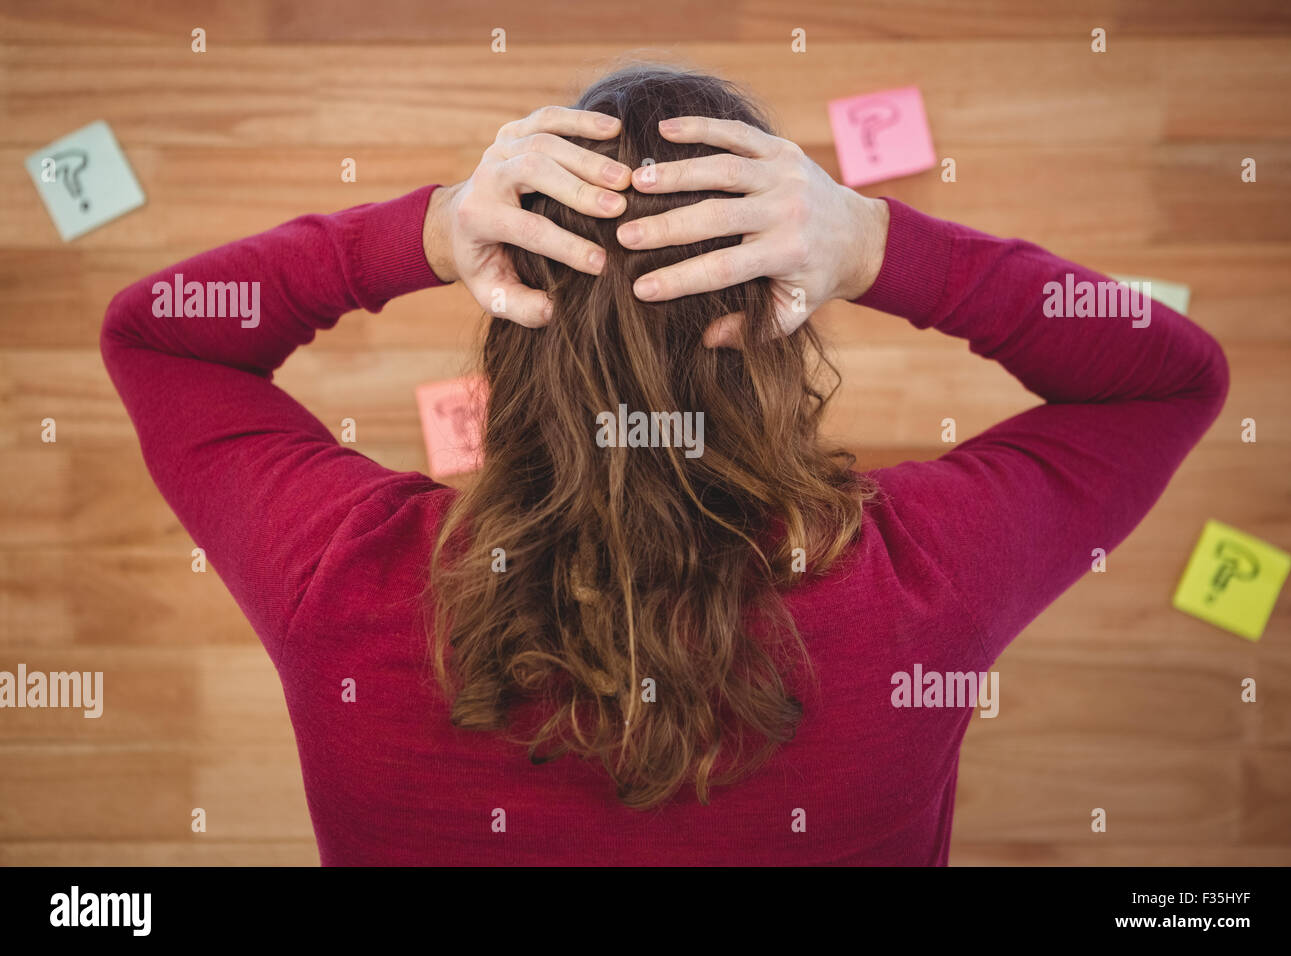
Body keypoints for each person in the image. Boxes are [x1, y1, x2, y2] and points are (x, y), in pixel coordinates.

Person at [101, 65, 1228, 865]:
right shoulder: (920, 583)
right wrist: (878, 244)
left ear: (509, 325)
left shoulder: (344, 577)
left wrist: (429, 229)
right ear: (780, 334)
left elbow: (160, 335)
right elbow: (1166, 378)